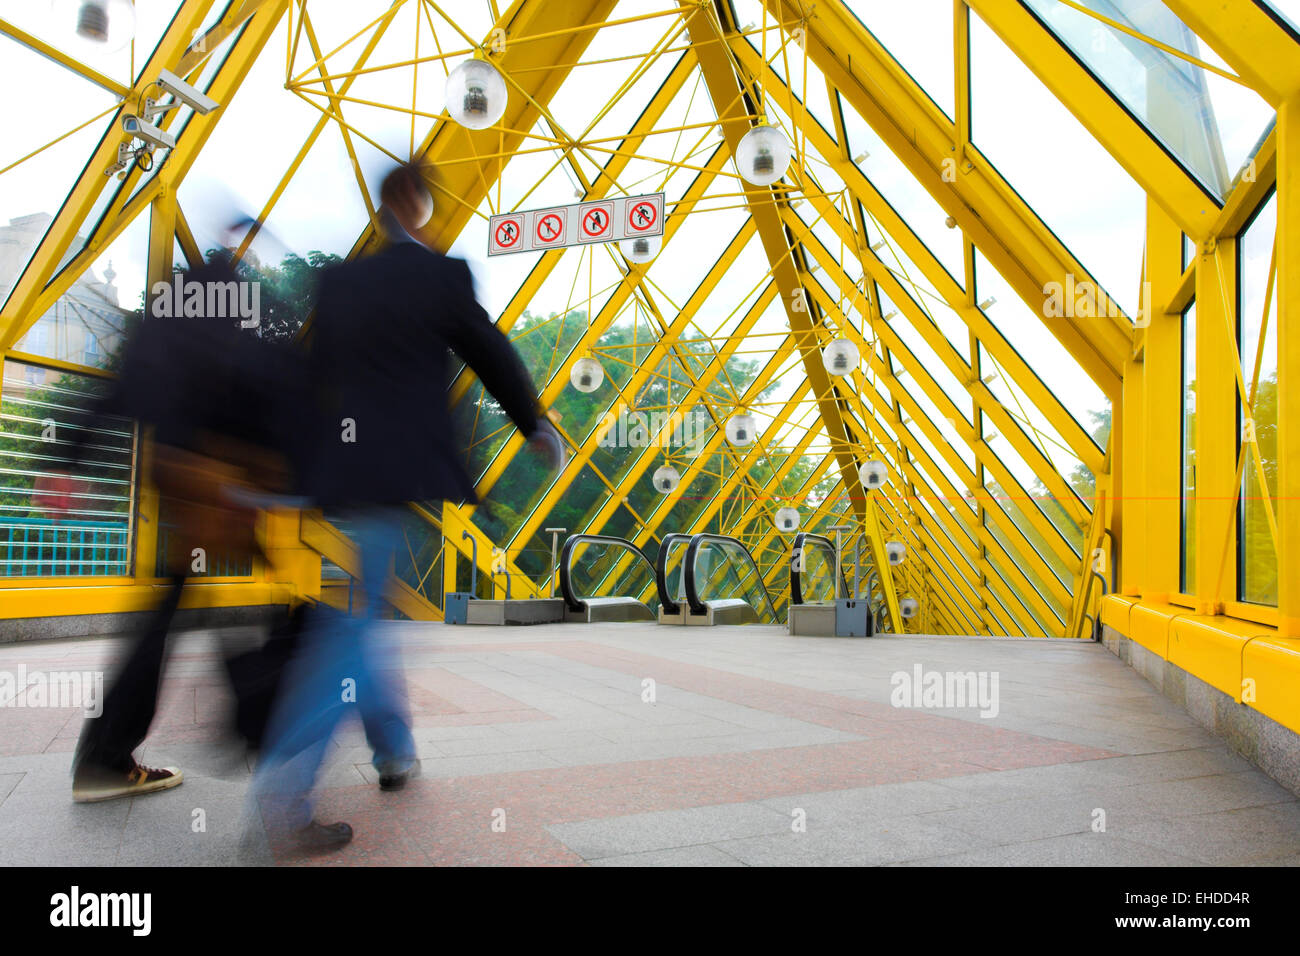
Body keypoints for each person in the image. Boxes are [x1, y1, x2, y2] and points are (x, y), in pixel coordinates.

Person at [252, 161, 564, 852]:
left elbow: (308, 381)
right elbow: (490, 350)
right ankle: (282, 794)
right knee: (353, 631)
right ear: (418, 205)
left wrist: (292, 468)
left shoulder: (339, 282)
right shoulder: (441, 275)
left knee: (367, 610)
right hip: (400, 471)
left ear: (381, 206)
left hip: (342, 468)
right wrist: (533, 422)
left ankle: (394, 750)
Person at [71, 219, 302, 803]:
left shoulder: (176, 305)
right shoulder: (245, 311)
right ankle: (255, 727)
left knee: (179, 599)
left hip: (174, 467)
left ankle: (110, 753)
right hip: (224, 475)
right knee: (261, 605)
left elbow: (127, 380)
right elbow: (269, 387)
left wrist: (71, 451)